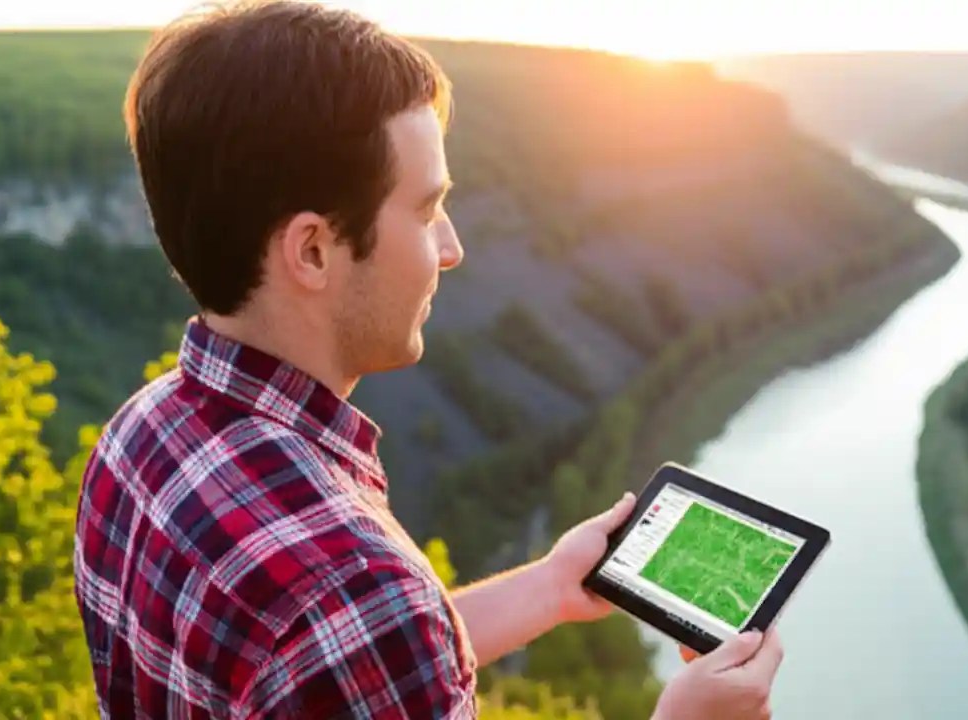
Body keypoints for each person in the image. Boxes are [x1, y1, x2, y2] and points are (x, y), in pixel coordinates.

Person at [72, 2, 785, 718]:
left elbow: (337, 671)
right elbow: (357, 637)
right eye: (423, 211)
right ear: (313, 250)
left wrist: (547, 588)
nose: (450, 247)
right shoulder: (351, 587)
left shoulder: (140, 439)